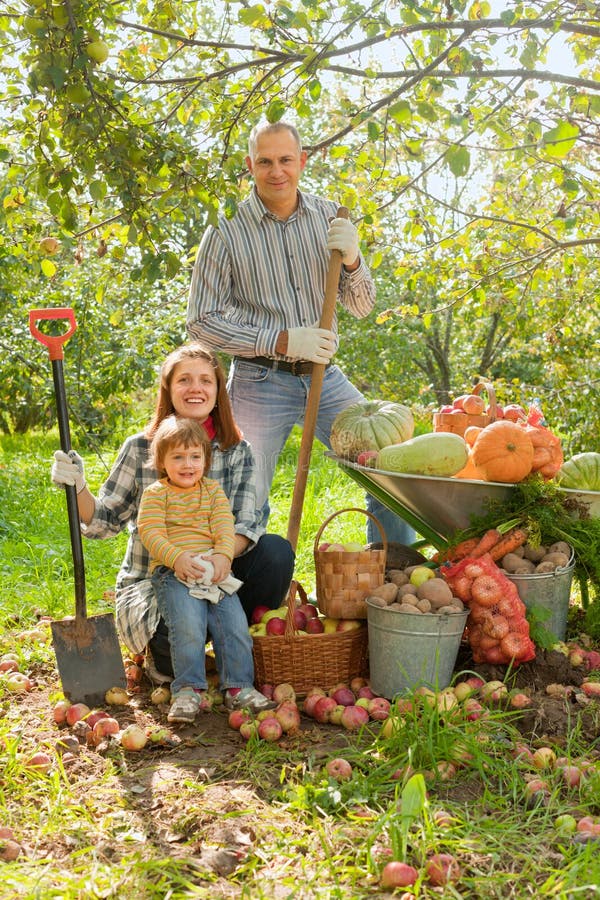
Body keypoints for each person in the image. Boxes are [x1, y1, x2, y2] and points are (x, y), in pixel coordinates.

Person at [186, 119, 414, 546]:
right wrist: (282, 339)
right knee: (244, 496)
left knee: (388, 471)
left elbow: (362, 305)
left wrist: (353, 259)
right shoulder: (225, 228)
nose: (277, 172)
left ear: (303, 161)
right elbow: (201, 320)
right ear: (249, 165)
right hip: (258, 380)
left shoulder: (330, 217)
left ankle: (390, 580)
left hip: (324, 378)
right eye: (265, 162)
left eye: (286, 160)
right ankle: (245, 597)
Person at [50, 342, 295, 708]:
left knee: (275, 552)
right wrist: (78, 486)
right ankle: (176, 666)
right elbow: (103, 522)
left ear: (217, 391)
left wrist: (219, 560)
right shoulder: (139, 448)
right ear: (168, 389)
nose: (195, 388)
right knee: (173, 639)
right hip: (157, 579)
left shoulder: (236, 450)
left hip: (217, 572)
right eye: (184, 380)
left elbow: (246, 523)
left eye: (205, 381)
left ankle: (236, 658)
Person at [137, 415, 272, 722]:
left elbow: (225, 526)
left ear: (206, 459)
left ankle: (238, 688)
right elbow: (151, 532)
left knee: (234, 625)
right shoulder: (158, 494)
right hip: (175, 572)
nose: (188, 464)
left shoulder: (211, 491)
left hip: (213, 570)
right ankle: (187, 690)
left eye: (195, 456)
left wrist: (224, 557)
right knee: (188, 626)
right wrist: (177, 558)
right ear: (162, 461)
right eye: (178, 457)